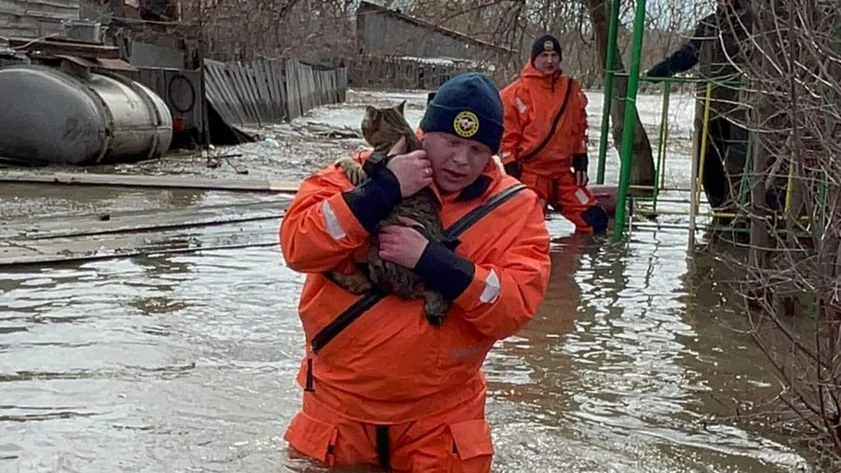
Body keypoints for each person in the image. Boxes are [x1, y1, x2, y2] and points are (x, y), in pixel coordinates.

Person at [278, 72, 551, 473]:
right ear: (424, 132)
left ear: (494, 152)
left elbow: (513, 306)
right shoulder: (356, 173)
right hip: (338, 413)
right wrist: (383, 191)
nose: (461, 160)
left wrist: (432, 261)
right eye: (452, 143)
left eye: (477, 149)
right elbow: (297, 246)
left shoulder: (515, 208)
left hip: (441, 424)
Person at [645, 0, 754, 218]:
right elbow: (688, 54)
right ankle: (723, 212)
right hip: (711, 107)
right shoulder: (709, 25)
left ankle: (742, 214)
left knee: (739, 164)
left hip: (744, 109)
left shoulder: (754, 25)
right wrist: (659, 71)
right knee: (705, 162)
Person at [499, 34, 609, 234]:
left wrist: (581, 160)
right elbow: (507, 137)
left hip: (564, 174)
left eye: (553, 55)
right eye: (544, 55)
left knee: (596, 221)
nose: (549, 61)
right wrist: (511, 171)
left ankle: (576, 262)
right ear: (534, 59)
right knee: (528, 232)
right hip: (531, 174)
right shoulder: (515, 94)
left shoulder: (571, 89)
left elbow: (579, 128)